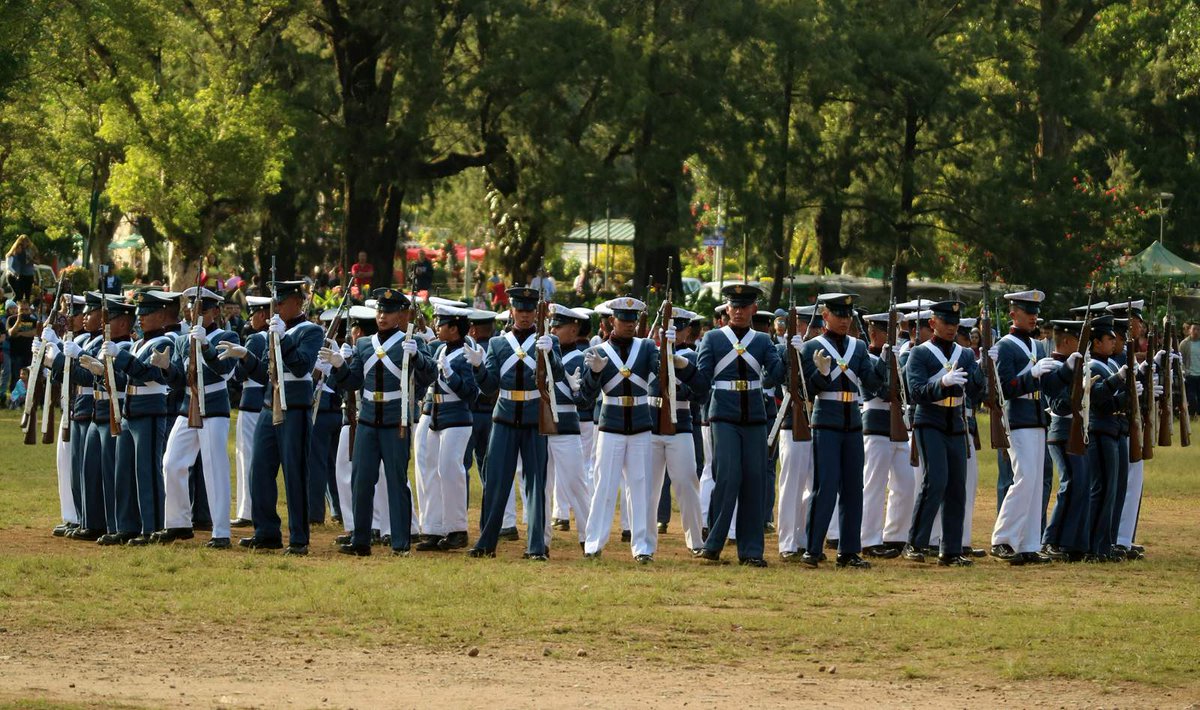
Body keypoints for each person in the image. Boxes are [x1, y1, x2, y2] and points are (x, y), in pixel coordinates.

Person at [321, 287, 436, 556]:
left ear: (401, 315)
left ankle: (400, 542)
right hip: (368, 420)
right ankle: (360, 540)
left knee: (396, 481)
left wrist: (418, 356)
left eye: (389, 312)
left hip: (396, 420)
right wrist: (339, 365)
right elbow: (353, 382)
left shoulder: (411, 342)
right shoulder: (364, 344)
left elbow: (429, 375)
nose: (383, 316)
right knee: (361, 480)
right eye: (380, 311)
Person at [678, 283, 785, 567]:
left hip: (755, 416)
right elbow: (702, 381)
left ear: (753, 309)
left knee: (755, 479)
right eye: (734, 307)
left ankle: (751, 551)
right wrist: (683, 368)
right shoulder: (713, 338)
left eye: (744, 307)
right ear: (727, 309)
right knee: (727, 476)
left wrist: (790, 352)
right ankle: (713, 543)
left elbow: (775, 377)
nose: (738, 311)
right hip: (724, 414)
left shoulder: (762, 341)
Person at [220, 280, 323, 555]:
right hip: (269, 404)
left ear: (297, 302)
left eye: (280, 303)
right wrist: (246, 357)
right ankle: (266, 531)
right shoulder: (273, 331)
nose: (275, 309)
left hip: (295, 407)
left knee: (294, 472)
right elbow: (264, 373)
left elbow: (301, 366)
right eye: (273, 304)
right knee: (260, 470)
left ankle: (299, 538)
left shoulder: (311, 331)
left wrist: (283, 339)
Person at [466, 285, 563, 560]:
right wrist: (478, 367)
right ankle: (486, 542)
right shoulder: (499, 344)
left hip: (534, 418)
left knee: (536, 483)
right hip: (504, 417)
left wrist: (550, 353)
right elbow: (489, 387)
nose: (524, 314)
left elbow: (557, 376)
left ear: (536, 312)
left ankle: (536, 546)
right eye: (520, 309)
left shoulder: (548, 340)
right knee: (496, 482)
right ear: (512, 310)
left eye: (529, 310)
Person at [794, 293, 885, 569]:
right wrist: (821, 375)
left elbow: (872, 384)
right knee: (825, 486)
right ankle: (812, 548)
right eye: (839, 315)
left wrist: (884, 359)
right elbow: (805, 391)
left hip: (853, 422)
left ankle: (849, 551)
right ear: (825, 316)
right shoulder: (812, 347)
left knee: (853, 489)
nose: (844, 320)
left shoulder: (858, 347)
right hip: (826, 420)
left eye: (847, 315)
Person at [154, 287, 239, 549]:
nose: (193, 313)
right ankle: (178, 523)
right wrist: (167, 368)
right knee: (171, 462)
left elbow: (224, 370)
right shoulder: (182, 340)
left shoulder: (227, 336)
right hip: (188, 405)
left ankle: (221, 531)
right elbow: (180, 380)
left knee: (214, 468)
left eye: (200, 309)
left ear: (214, 312)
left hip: (213, 405)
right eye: (190, 308)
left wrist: (205, 345)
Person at [903, 300, 985, 567]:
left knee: (957, 487)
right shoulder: (920, 353)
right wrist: (942, 383)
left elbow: (975, 392)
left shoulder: (965, 354)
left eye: (955, 323)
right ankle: (915, 543)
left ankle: (950, 549)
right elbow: (916, 392)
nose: (951, 327)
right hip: (930, 420)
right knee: (935, 481)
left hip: (956, 421)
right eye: (946, 322)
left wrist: (984, 369)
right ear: (932, 323)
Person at [105, 290, 180, 546]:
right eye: (140, 314)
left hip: (150, 409)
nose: (141, 319)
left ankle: (153, 527)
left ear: (161, 316)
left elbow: (150, 374)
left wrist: (120, 356)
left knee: (147, 472)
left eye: (147, 314)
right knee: (124, 472)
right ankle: (127, 526)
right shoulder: (137, 344)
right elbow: (127, 375)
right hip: (131, 409)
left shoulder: (165, 342)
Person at [990, 290, 1055, 565]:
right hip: (1017, 417)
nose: (1033, 317)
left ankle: (1028, 543)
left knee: (1036, 482)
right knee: (1025, 478)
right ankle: (1002, 539)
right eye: (1028, 312)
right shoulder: (1005, 346)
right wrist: (1031, 375)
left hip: (1037, 416)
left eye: (1035, 313)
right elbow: (1005, 388)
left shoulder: (1037, 346)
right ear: (1013, 313)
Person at [412, 304, 480, 551]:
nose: (436, 327)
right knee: (429, 471)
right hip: (434, 413)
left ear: (454, 329)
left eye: (441, 324)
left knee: (450, 472)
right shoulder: (439, 348)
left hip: (457, 416)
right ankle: (432, 528)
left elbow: (471, 393)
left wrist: (451, 375)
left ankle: (457, 529)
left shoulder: (466, 354)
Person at [230, 296, 272, 527]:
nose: (250, 319)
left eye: (254, 313)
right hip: (266, 401)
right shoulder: (275, 337)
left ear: (263, 315)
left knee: (246, 457)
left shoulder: (255, 338)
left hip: (251, 400)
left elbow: (239, 374)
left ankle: (246, 511)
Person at [6, 300, 38, 375]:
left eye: (26, 309)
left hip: (29, 354)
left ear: (29, 309)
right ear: (18, 309)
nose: (24, 312)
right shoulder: (11, 319)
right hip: (16, 354)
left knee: (30, 377)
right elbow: (11, 333)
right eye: (21, 309)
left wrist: (20, 333)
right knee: (16, 377)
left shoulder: (34, 320)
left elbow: (34, 333)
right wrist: (18, 320)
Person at [6, 235, 37, 302]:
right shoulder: (11, 256)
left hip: (17, 276)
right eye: (19, 248)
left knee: (20, 295)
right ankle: (9, 305)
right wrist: (15, 273)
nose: (21, 250)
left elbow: (28, 262)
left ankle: (15, 306)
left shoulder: (19, 256)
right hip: (12, 276)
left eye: (21, 248)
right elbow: (8, 267)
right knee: (18, 295)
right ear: (16, 248)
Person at [1180, 322, 1200, 416]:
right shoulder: (1184, 344)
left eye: (1198, 329)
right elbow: (1180, 360)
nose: (1196, 331)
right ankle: (1192, 414)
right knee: (1191, 396)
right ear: (1189, 330)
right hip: (1190, 374)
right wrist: (1185, 371)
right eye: (1194, 329)